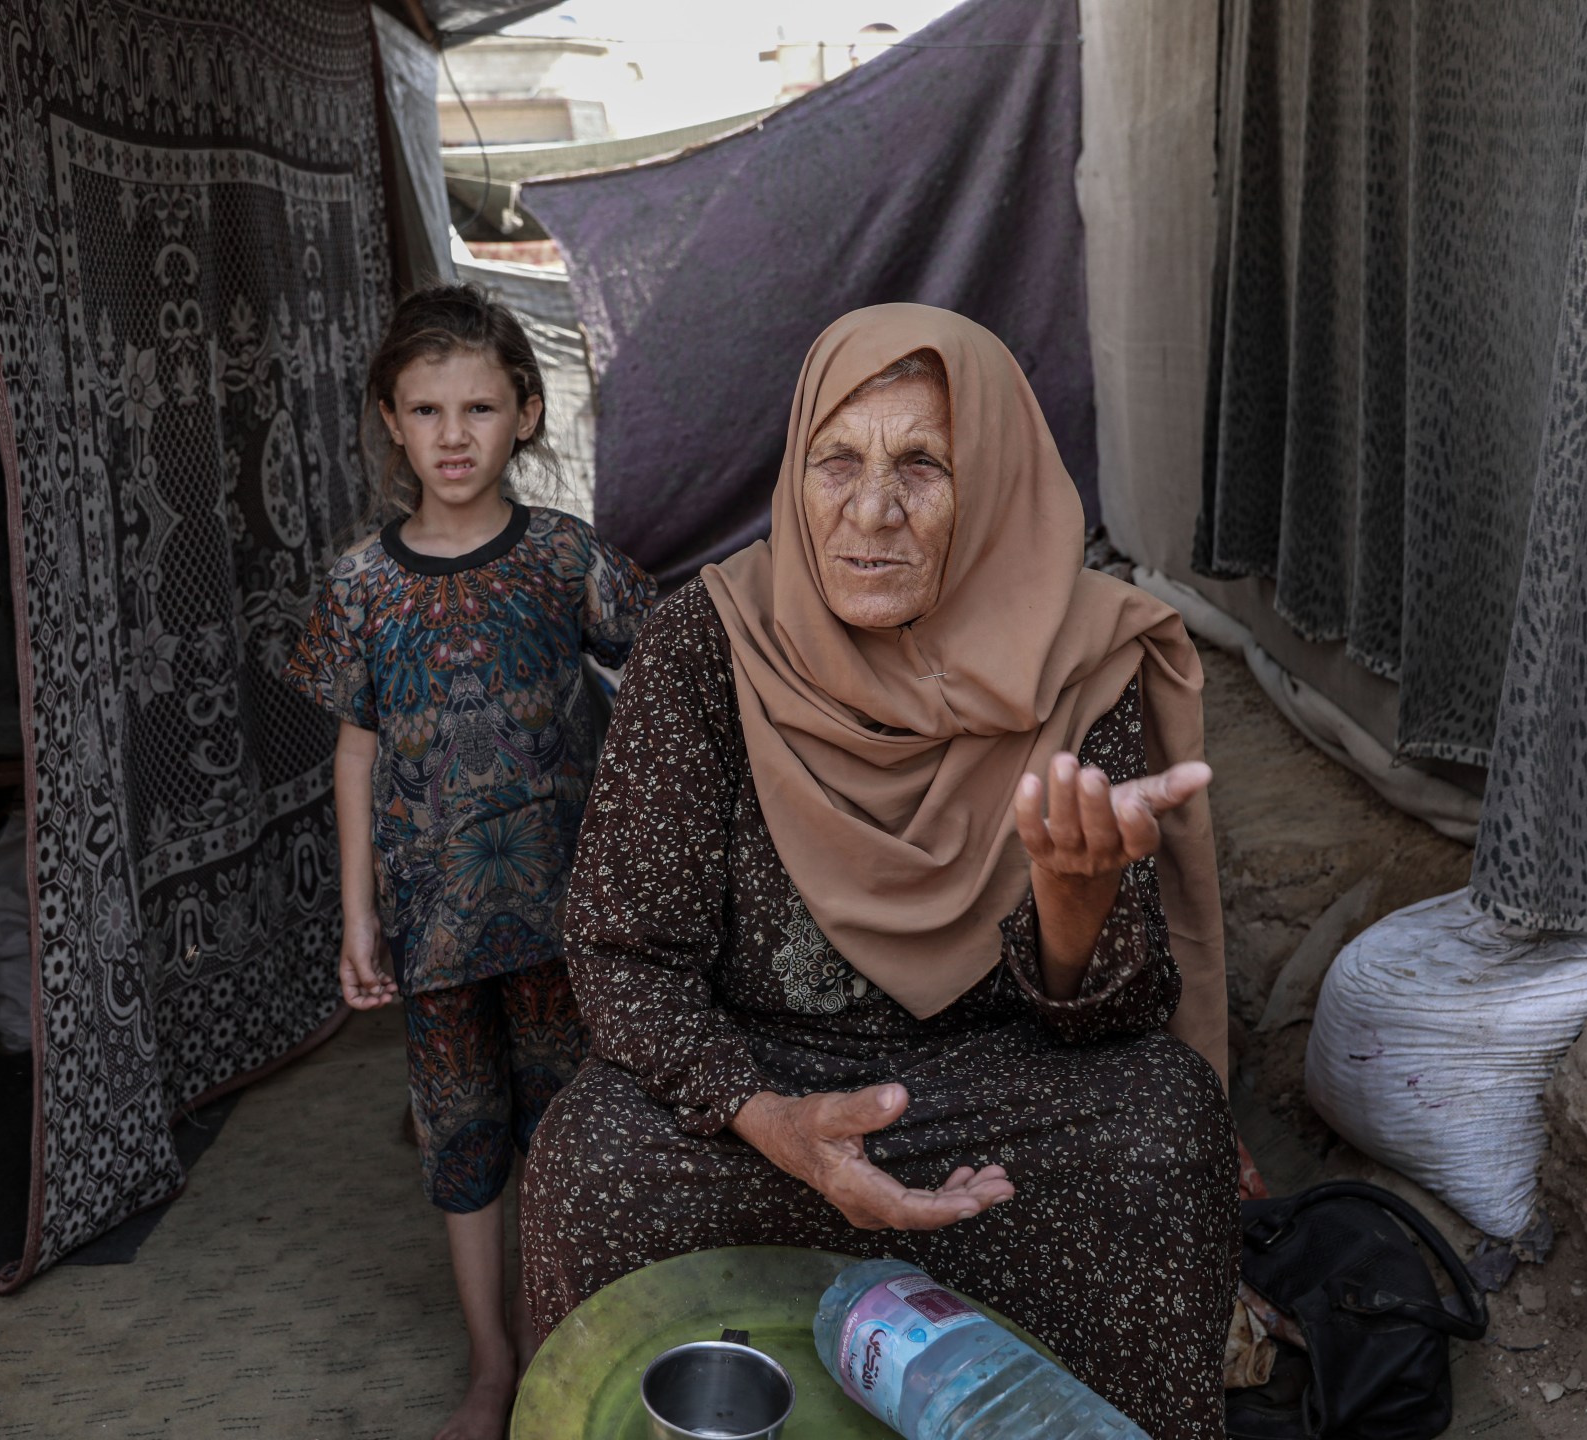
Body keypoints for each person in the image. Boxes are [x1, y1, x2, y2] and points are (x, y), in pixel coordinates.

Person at [521, 304, 1238, 1434]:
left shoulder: (1081, 660)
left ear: (993, 482)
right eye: (837, 463)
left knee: (1160, 1126)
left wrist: (1073, 896)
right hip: (761, 1083)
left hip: (996, 1084)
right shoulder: (707, 644)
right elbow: (625, 957)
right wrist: (774, 1120)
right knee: (590, 1160)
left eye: (922, 466)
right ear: (794, 470)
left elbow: (1115, 1022)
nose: (870, 513)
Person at [284, 284, 654, 1440]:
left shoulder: (563, 559)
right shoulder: (361, 588)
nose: (454, 435)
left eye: (480, 407)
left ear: (526, 415)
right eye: (427, 408)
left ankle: (564, 1340)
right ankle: (492, 1363)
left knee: (569, 1125)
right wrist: (357, 918)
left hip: (562, 918)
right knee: (461, 1140)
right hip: (434, 927)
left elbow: (666, 675)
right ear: (391, 421)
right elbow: (354, 756)